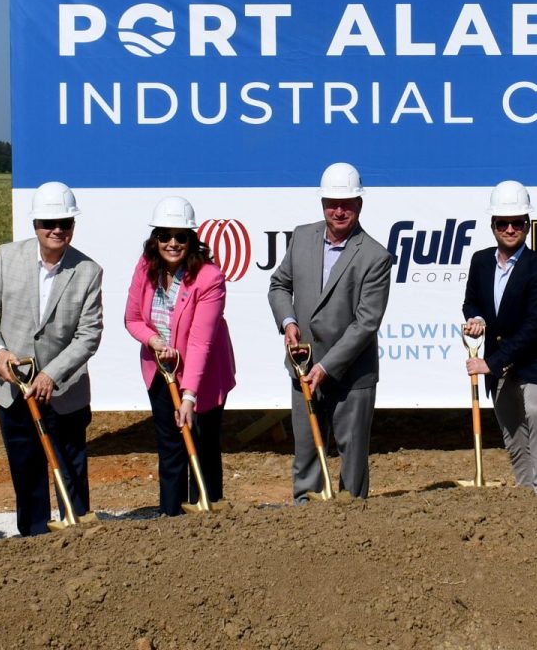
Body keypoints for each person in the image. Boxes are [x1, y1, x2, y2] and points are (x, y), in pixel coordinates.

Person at [0, 181, 104, 536]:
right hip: (12, 390)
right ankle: (32, 544)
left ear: (73, 226)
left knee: (71, 471)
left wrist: (51, 375)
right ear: (35, 225)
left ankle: (76, 541)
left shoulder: (88, 271)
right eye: (49, 223)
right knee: (26, 472)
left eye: (64, 223)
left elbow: (88, 334)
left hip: (63, 393)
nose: (57, 230)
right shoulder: (7, 257)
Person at [267, 162, 393, 500]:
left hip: (351, 375)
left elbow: (366, 322)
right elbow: (279, 284)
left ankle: (353, 528)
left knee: (352, 463)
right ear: (322, 203)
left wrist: (326, 367)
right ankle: (306, 521)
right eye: (332, 203)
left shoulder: (375, 256)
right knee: (306, 456)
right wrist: (288, 322)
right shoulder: (302, 237)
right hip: (303, 367)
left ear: (359, 205)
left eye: (347, 203)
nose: (338, 211)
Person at [123, 196, 237, 516]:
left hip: (204, 375)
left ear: (192, 239)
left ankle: (206, 513)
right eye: (165, 236)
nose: (172, 243)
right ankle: (170, 516)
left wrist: (189, 397)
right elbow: (132, 319)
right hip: (161, 370)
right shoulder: (145, 268)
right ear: (155, 238)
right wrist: (153, 340)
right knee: (171, 448)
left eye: (181, 236)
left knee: (201, 446)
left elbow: (201, 343)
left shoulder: (209, 278)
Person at [461, 181, 537, 494]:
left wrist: (490, 363)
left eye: (517, 222)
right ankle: (524, 489)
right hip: (499, 363)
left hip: (535, 360)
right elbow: (472, 302)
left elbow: (533, 328)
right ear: (492, 226)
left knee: (534, 410)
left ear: (527, 226)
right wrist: (476, 320)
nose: (509, 228)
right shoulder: (479, 261)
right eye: (502, 223)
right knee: (511, 429)